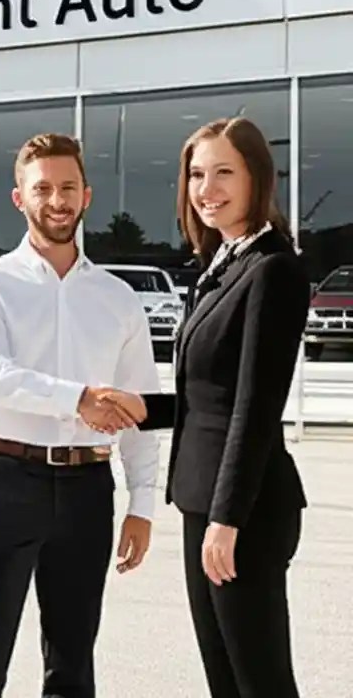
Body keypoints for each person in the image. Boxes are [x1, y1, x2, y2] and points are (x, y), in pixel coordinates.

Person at [0, 132, 158, 698]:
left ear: (86, 196)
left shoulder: (117, 297)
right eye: (42, 188)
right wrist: (78, 399)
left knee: (73, 666)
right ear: (20, 198)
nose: (57, 200)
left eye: (68, 187)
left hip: (88, 488)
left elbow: (142, 403)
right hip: (1, 483)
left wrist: (142, 504)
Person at [106, 116, 309, 698]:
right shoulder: (220, 266)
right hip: (205, 501)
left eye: (224, 172)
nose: (207, 188)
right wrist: (141, 406)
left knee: (260, 683)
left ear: (256, 179)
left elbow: (255, 407)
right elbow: (209, 397)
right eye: (197, 173)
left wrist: (228, 520)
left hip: (244, 510)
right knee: (225, 681)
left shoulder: (273, 269)